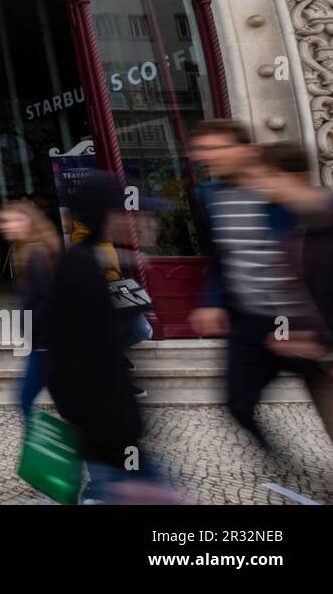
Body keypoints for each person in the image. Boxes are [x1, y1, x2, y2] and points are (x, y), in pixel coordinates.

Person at [187, 120, 329, 449]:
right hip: (250, 319)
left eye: (215, 147)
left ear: (247, 150)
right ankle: (286, 469)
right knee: (238, 404)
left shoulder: (281, 186)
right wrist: (212, 300)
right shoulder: (207, 197)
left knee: (326, 397)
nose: (205, 156)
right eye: (201, 149)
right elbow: (219, 255)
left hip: (303, 318)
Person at [48, 173, 171, 503]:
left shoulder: (86, 261)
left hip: (107, 427)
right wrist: (118, 429)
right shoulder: (82, 269)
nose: (137, 221)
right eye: (125, 213)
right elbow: (85, 357)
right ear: (106, 215)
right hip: (109, 429)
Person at [244, 141, 333, 442]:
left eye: (265, 175)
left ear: (293, 176)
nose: (257, 184)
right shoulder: (292, 232)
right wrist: (300, 336)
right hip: (320, 363)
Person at [0, 201, 60, 420]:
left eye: (13, 220)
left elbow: (47, 298)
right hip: (45, 342)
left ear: (29, 222)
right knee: (64, 402)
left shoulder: (35, 254)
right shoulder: (30, 251)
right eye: (3, 221)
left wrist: (34, 331)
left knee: (24, 399)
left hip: (44, 344)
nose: (5, 226)